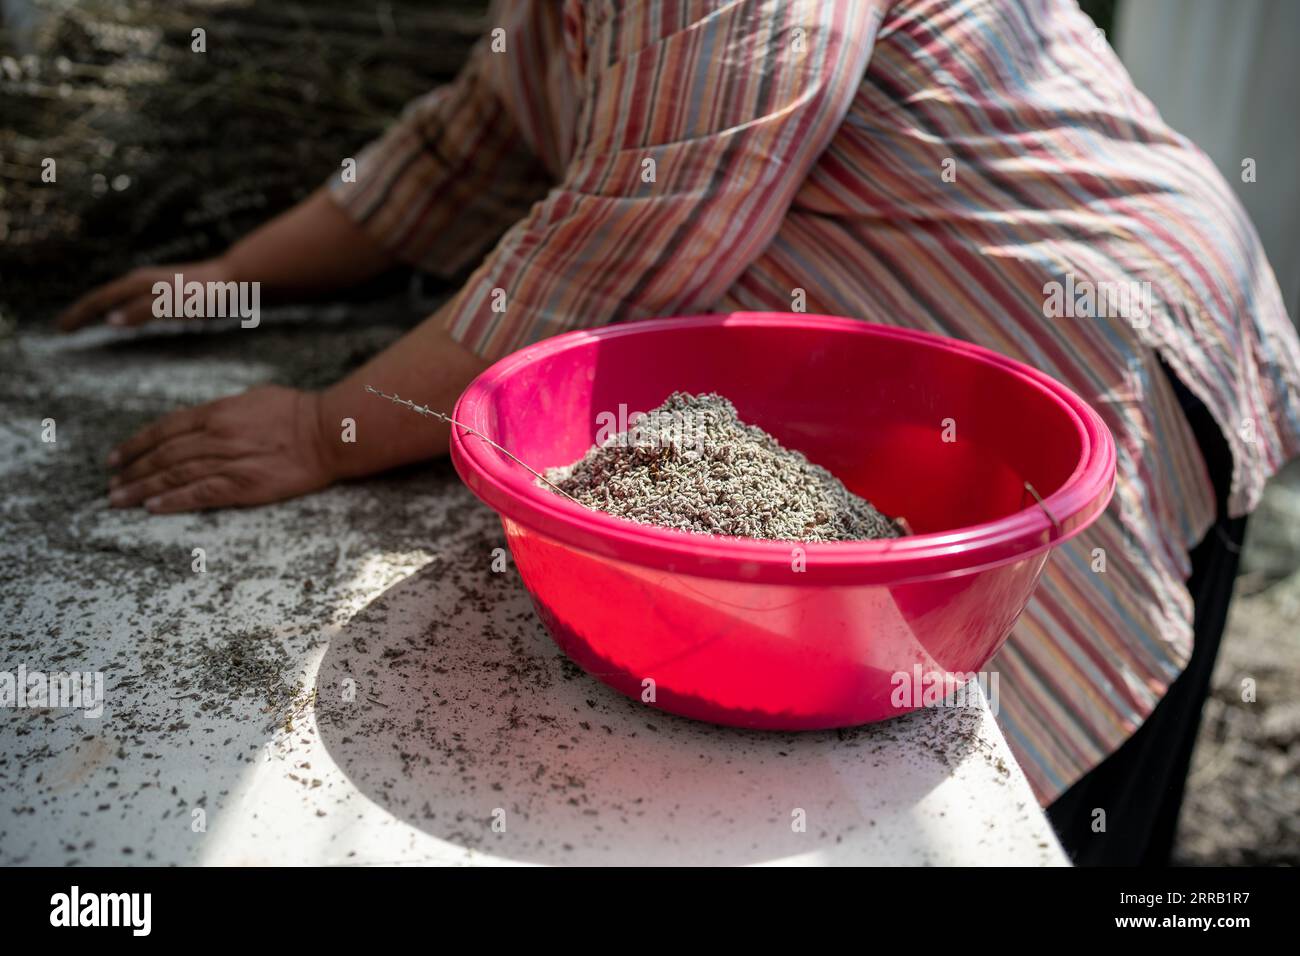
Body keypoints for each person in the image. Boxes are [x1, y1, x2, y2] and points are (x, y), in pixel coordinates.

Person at [56, 0, 1300, 864]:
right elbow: (441, 157)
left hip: (1086, 326)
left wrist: (324, 430)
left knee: (1068, 807)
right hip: (957, 352)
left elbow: (628, 242)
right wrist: (227, 276)